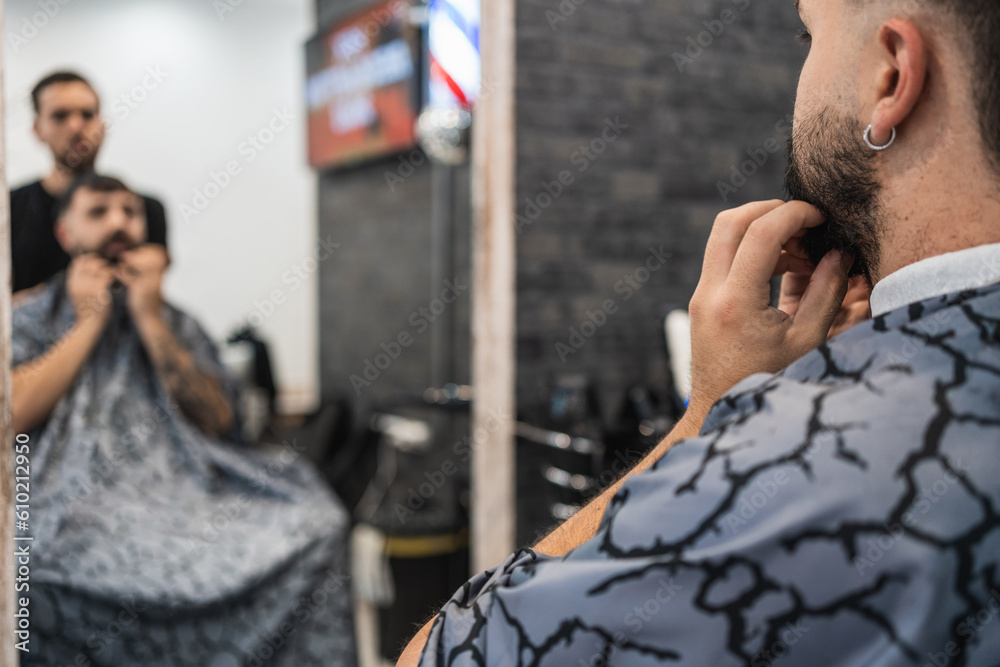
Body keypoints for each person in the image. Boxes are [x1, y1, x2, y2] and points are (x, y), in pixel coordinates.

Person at [399, 0, 1000, 664]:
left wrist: (712, 416)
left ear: (890, 75)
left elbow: (440, 654)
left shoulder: (801, 472)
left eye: (808, 34)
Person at [12, 174, 356, 665]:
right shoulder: (28, 318)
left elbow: (219, 420)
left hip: (185, 491)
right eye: (99, 211)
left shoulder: (175, 321)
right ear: (65, 234)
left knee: (316, 524)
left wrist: (149, 318)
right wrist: (89, 322)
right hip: (75, 502)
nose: (119, 222)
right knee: (41, 567)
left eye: (130, 211)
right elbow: (14, 414)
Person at [10, 71, 168, 294]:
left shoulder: (145, 209)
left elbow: (148, 295)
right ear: (38, 129)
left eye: (87, 114)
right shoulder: (8, 209)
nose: (76, 126)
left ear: (102, 126)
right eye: (60, 116)